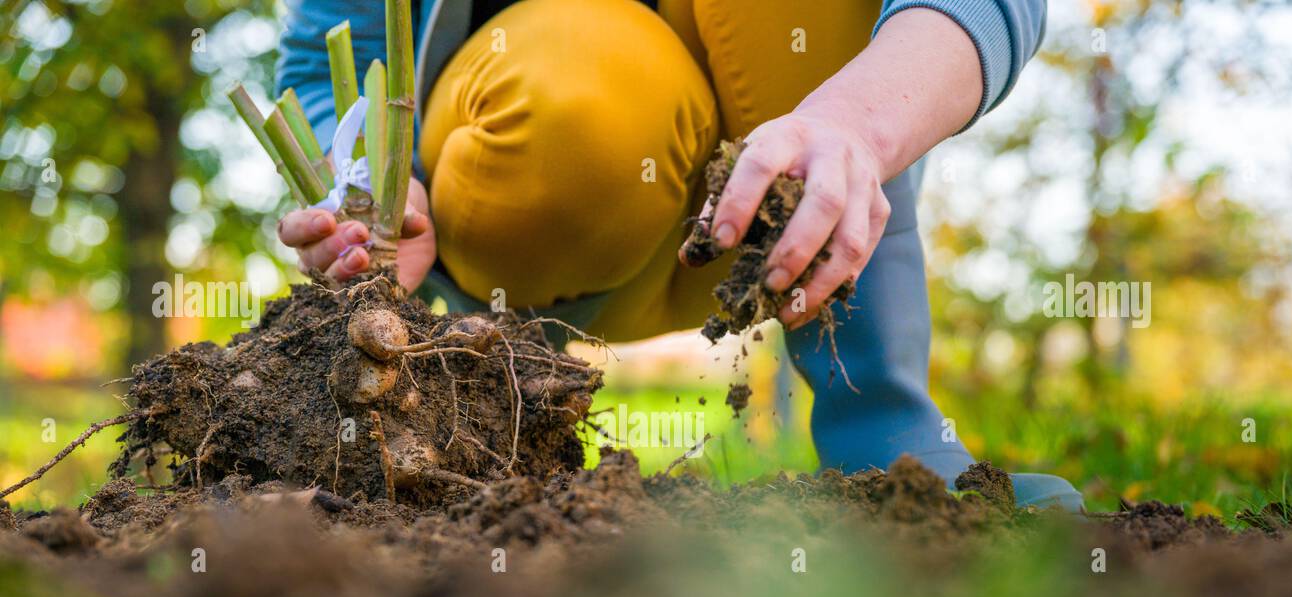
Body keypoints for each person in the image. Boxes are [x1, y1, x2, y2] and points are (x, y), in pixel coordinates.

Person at [275, 0, 1084, 510]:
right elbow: (320, 60)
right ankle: (490, 404)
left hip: (773, 218)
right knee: (583, 88)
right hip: (546, 215)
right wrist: (380, 185)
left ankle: (888, 438)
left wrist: (857, 125)